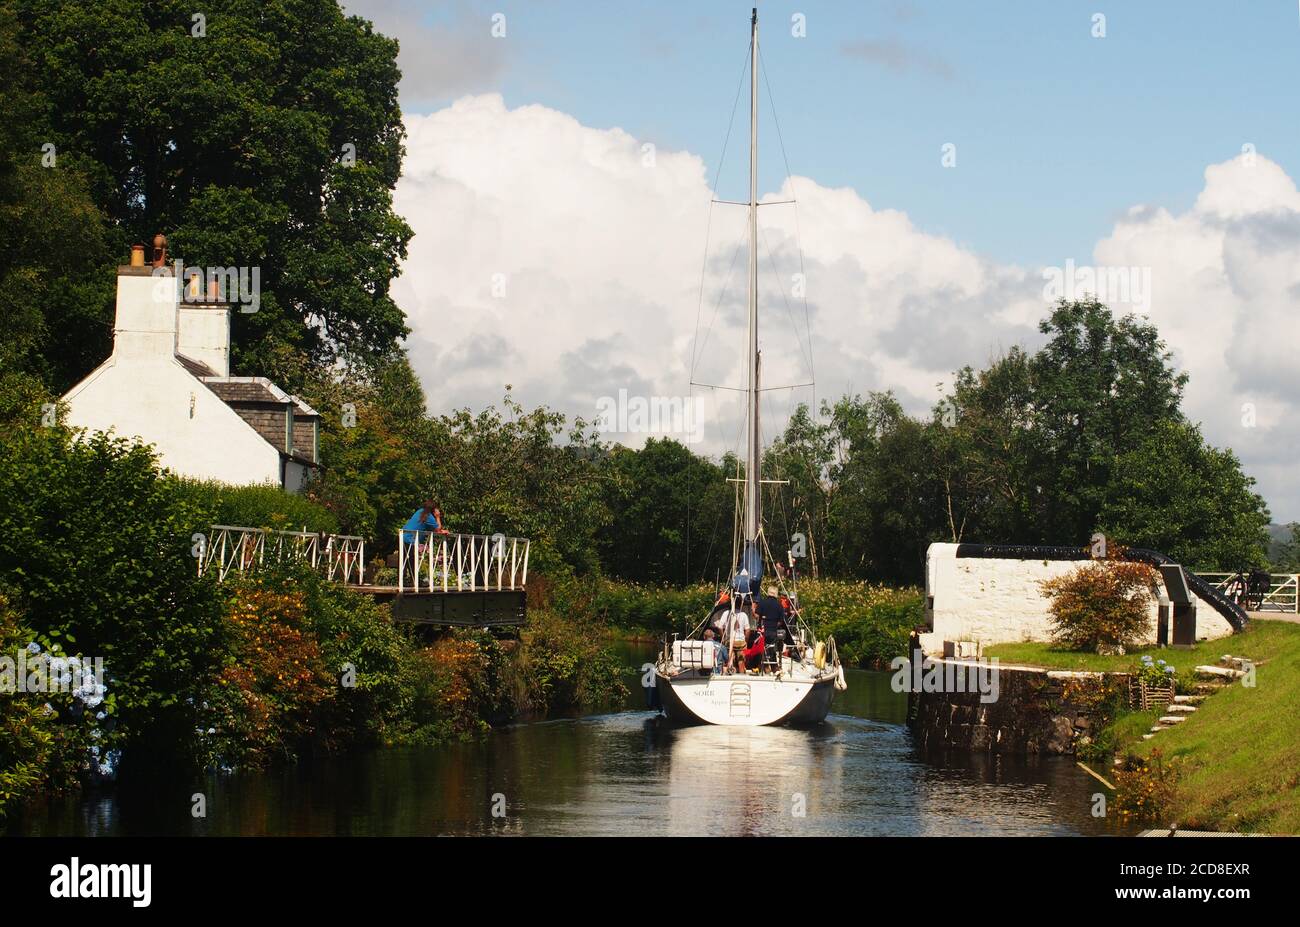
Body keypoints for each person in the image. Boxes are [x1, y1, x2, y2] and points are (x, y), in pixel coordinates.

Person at [725, 604, 750, 674]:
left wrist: (724, 637)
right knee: (741, 661)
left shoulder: (726, 613)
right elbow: (747, 630)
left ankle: (730, 674)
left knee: (730, 660)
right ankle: (741, 675)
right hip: (741, 641)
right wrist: (746, 641)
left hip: (730, 641)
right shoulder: (743, 615)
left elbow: (720, 627)